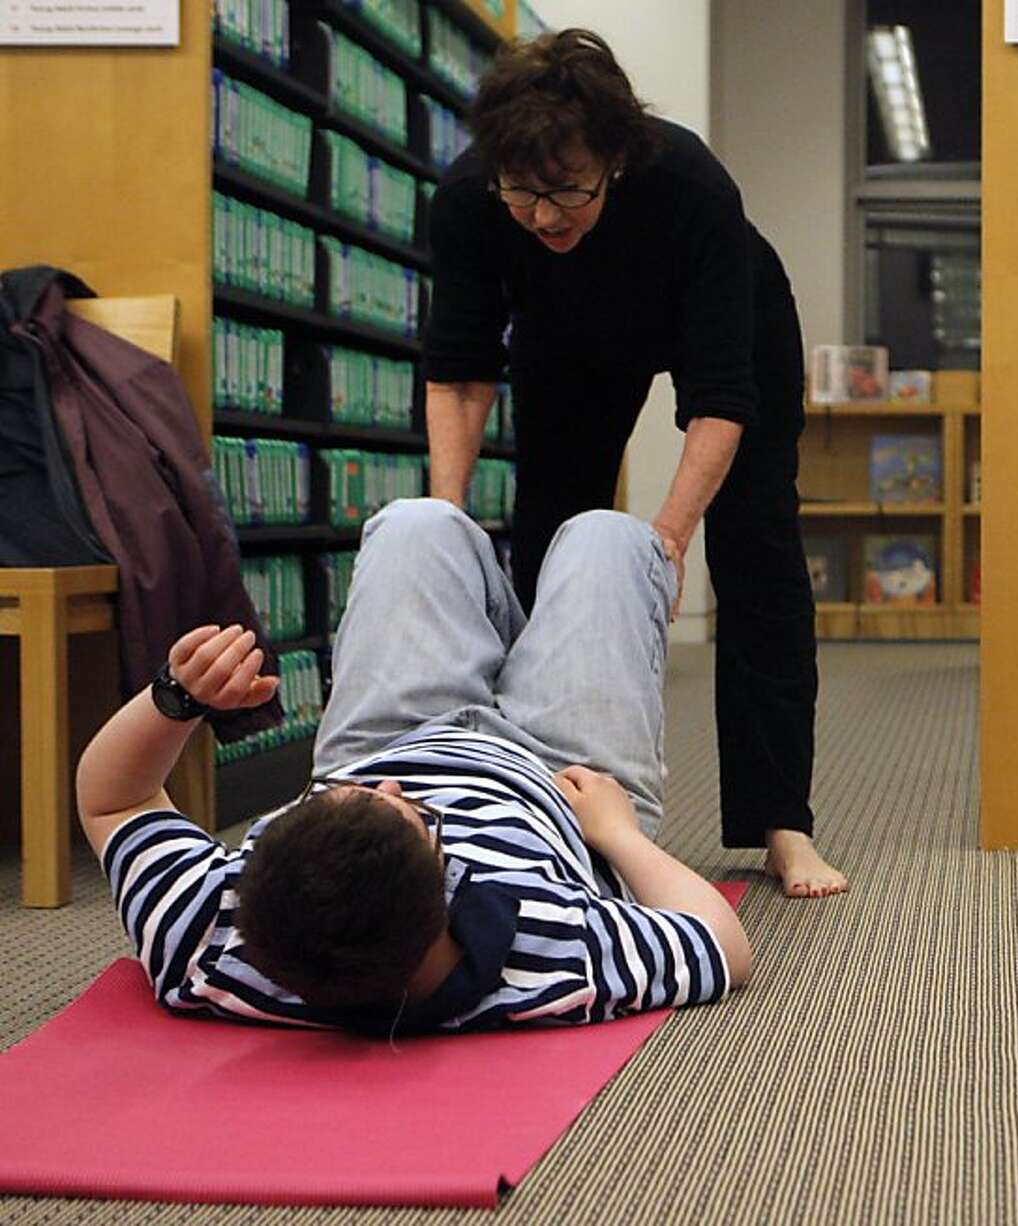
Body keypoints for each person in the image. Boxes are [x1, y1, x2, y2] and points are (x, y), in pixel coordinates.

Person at [421, 29, 844, 899]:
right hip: (570, 333)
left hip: (732, 326)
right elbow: (460, 369)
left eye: (568, 190)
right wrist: (447, 521)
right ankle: (548, 799)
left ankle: (782, 825)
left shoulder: (691, 189)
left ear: (613, 158)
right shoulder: (469, 198)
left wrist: (668, 541)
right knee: (549, 542)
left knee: (756, 546)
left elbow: (721, 395)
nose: (543, 215)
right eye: (522, 193)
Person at [75, 498, 752, 1032]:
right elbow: (721, 945)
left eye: (331, 800)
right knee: (608, 539)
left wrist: (177, 699)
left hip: (389, 736)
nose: (392, 789)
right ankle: (523, 646)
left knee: (415, 525)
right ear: (448, 889)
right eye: (415, 814)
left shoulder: (211, 936)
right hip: (565, 775)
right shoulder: (545, 954)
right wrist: (619, 835)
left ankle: (498, 640)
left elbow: (114, 801)